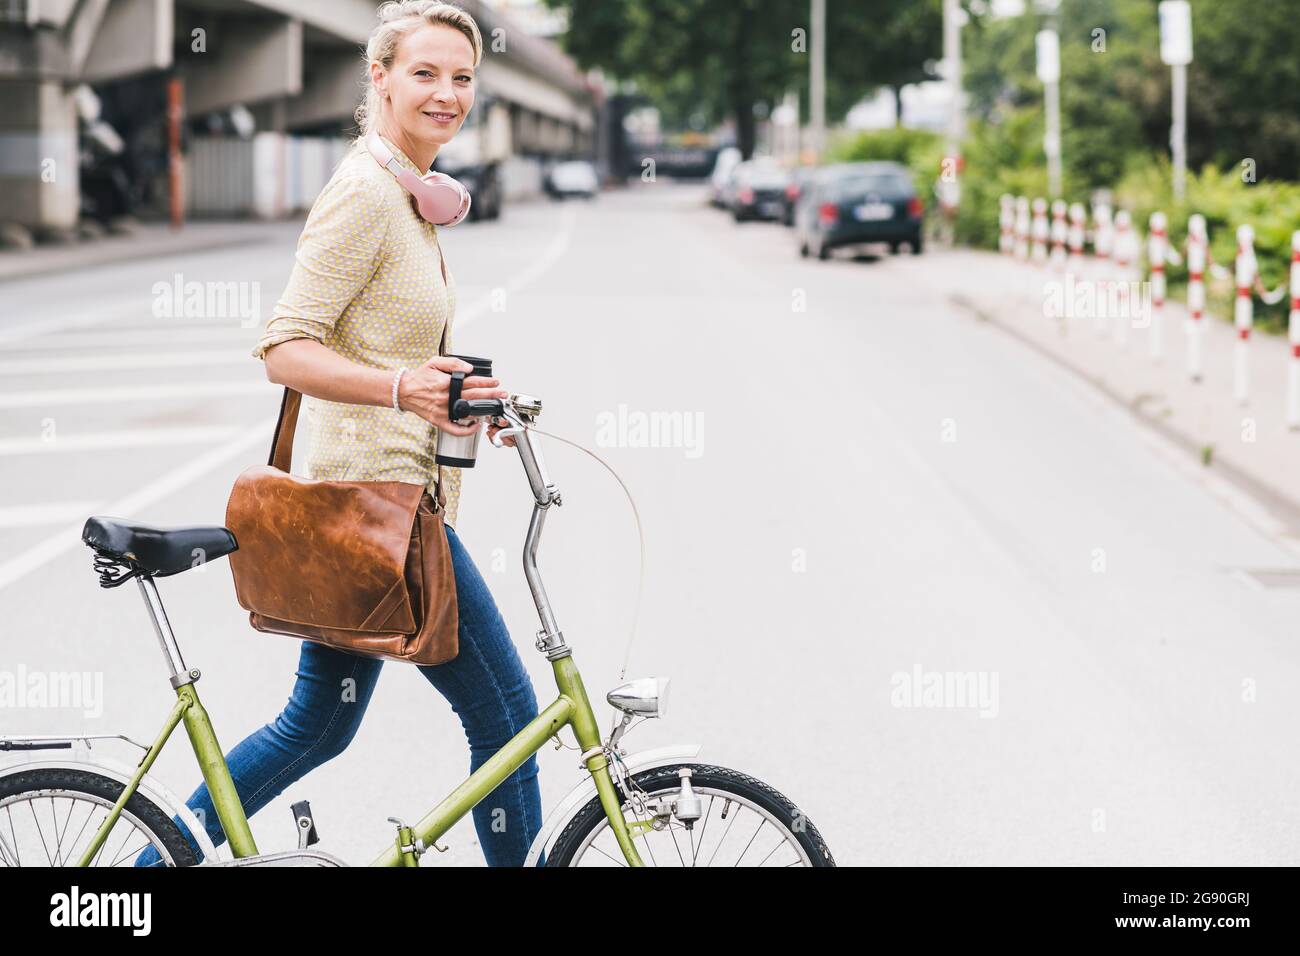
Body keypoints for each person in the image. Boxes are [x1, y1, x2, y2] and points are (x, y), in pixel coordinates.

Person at [135, 0, 544, 867]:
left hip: (371, 505)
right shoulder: (363, 194)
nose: (446, 93)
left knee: (314, 728)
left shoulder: (409, 195)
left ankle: (147, 868)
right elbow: (285, 349)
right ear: (380, 77)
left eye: (462, 77)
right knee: (507, 718)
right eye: (424, 73)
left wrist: (461, 398)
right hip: (375, 512)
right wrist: (402, 388)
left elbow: (389, 345)